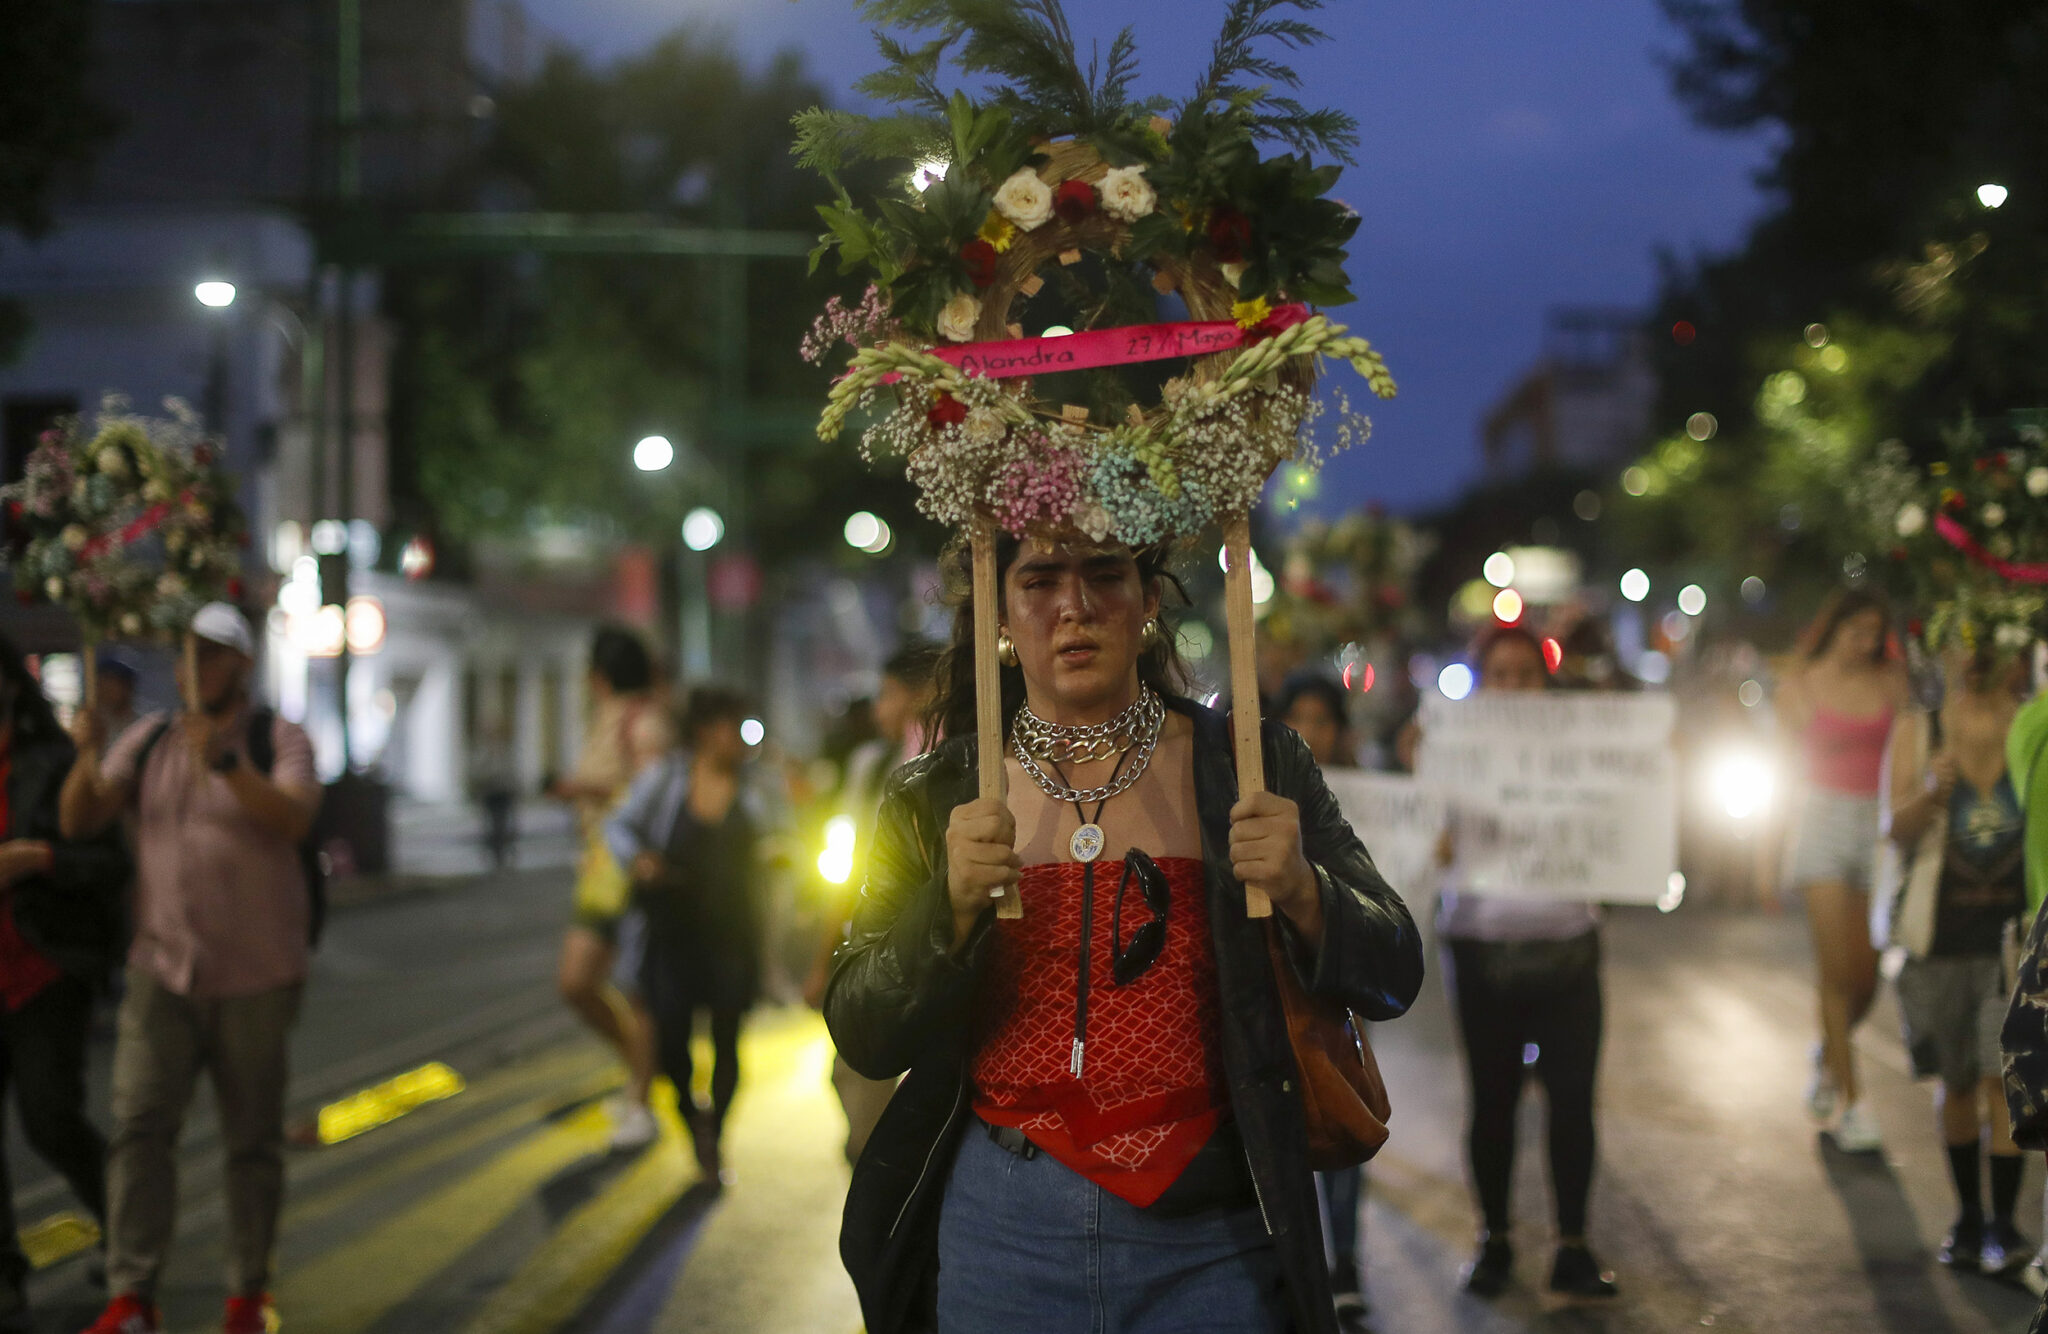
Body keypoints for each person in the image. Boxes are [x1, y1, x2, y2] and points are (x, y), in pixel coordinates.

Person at [825, 534, 1423, 1334]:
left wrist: (1303, 891)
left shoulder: (1249, 767)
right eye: (1039, 580)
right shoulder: (933, 797)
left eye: (1105, 575)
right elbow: (863, 1029)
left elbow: (1396, 968)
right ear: (1002, 615)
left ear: (1147, 603)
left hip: (1214, 1240)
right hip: (1001, 1237)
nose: (1075, 606)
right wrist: (951, 906)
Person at [59, 603, 322, 1334]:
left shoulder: (278, 737)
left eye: (208, 655)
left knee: (252, 1140)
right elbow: (81, 817)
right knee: (140, 1129)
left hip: (256, 976)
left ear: (238, 664)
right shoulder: (147, 740)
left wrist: (230, 764)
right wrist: (89, 749)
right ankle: (133, 1293)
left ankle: (247, 1293)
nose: (192, 668)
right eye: (185, 656)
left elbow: (294, 818)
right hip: (161, 970)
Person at [1436, 624, 1617, 1300]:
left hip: (1569, 940)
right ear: (1482, 686)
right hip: (1482, 946)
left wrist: (1659, 765)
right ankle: (1496, 1239)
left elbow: (1625, 812)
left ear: (1546, 685)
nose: (1513, 688)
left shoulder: (1583, 749)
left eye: (1526, 675)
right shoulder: (1448, 752)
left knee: (1573, 1104)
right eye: (1500, 676)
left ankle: (1572, 1243)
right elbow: (1427, 843)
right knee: (1493, 1103)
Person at [1886, 647, 2030, 1274]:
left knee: (2005, 1081)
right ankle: (1968, 1219)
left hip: (2011, 938)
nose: (1979, 664)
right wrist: (1926, 794)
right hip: (1939, 936)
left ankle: (2003, 1224)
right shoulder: (1919, 731)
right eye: (1966, 650)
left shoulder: (2032, 725)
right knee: (1958, 1083)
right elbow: (1894, 831)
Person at [0, 635, 129, 1334]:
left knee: (49, 1115)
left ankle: (127, 1227)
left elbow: (105, 862)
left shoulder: (50, 766)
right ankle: (4, 1276)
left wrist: (36, 857)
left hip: (44, 967)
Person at [606, 687, 765, 1183]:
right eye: (727, 727)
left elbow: (792, 840)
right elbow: (619, 826)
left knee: (727, 1042)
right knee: (670, 1042)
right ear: (703, 731)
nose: (736, 740)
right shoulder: (667, 780)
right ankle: (689, 1114)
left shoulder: (758, 789)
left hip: (732, 936)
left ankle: (714, 1139)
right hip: (672, 935)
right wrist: (639, 859)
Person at [1777, 589, 1909, 1153]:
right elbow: (1782, 765)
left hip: (1877, 826)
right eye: (1856, 628)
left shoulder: (1890, 682)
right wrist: (1766, 851)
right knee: (1835, 970)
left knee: (1867, 975)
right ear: (1834, 628)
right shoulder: (1802, 680)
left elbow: (1910, 746)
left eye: (1875, 631)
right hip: (1822, 819)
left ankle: (1827, 1050)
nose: (1865, 641)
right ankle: (1853, 1104)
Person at [805, 641, 939, 1165]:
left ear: (924, 693)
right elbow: (847, 872)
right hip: (882, 957)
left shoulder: (967, 756)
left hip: (937, 956)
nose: (879, 708)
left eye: (887, 694)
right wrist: (824, 961)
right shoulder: (870, 766)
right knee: (854, 1083)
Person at [548, 626, 669, 1151]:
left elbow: (652, 792)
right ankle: (644, 1069)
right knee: (577, 982)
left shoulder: (645, 722)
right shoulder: (610, 717)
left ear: (598, 676)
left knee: (639, 990)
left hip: (634, 871)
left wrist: (584, 789)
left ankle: (640, 1101)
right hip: (601, 870)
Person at [1278, 673, 1371, 1330]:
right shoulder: (1252, 793)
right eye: (1297, 718)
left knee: (1338, 1112)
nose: (1310, 733)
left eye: (1322, 720)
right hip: (1275, 986)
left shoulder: (1366, 798)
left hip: (1336, 986)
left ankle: (1345, 1264)